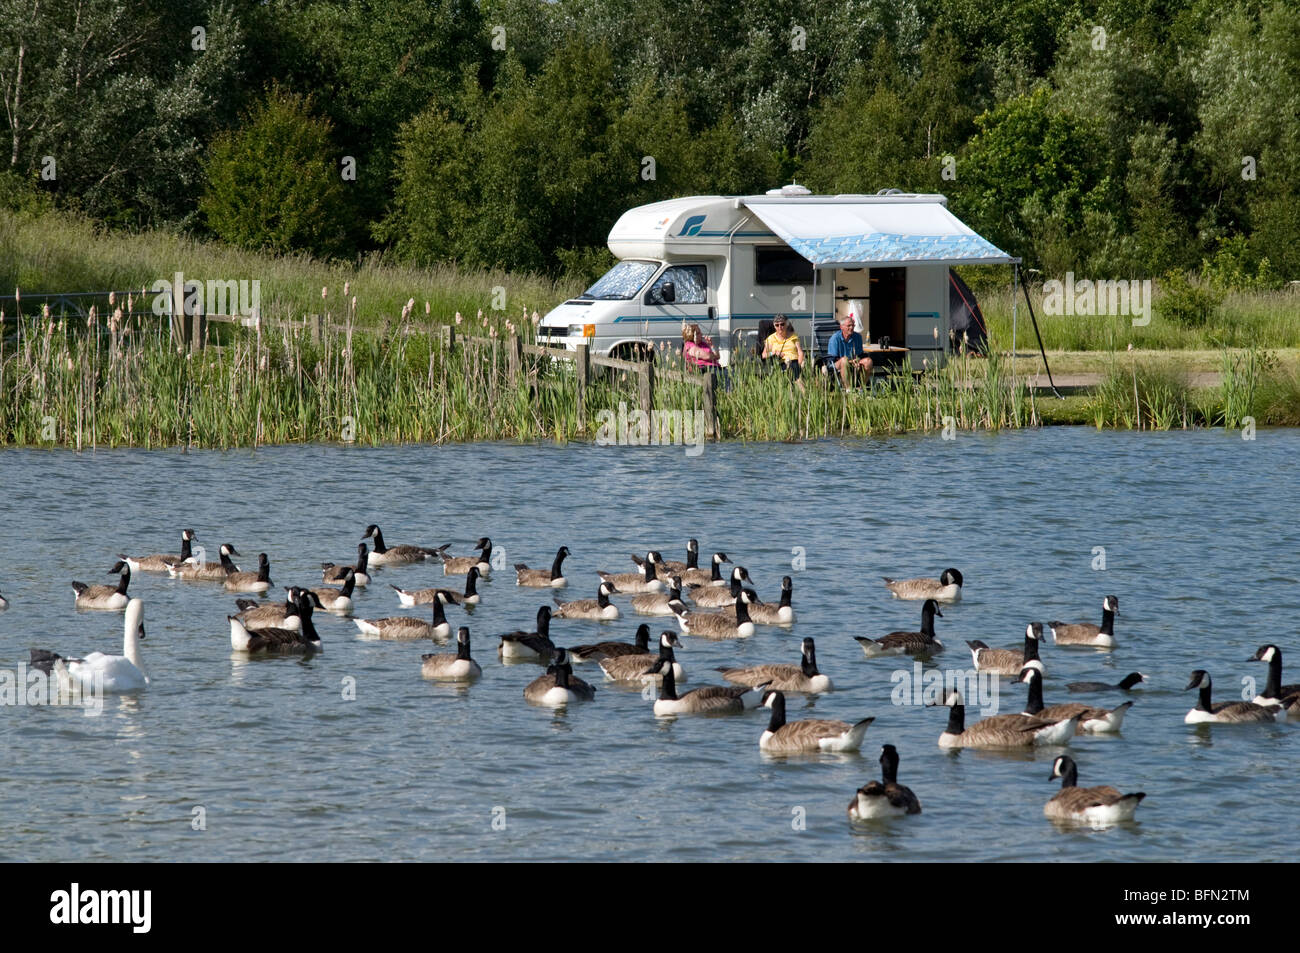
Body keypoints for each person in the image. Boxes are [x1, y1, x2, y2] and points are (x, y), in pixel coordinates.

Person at [827, 314, 873, 389]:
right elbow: (832, 358)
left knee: (868, 361)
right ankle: (848, 389)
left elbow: (860, 355)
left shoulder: (858, 337)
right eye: (849, 326)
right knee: (844, 361)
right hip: (837, 363)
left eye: (853, 325)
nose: (851, 328)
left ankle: (862, 389)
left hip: (853, 361)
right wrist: (850, 361)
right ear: (841, 327)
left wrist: (857, 360)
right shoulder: (834, 338)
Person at [681, 324, 729, 390]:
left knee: (732, 373)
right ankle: (728, 393)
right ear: (692, 335)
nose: (701, 334)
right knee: (727, 375)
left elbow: (718, 356)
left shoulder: (703, 344)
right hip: (705, 369)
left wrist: (711, 345)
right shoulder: (689, 345)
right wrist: (713, 356)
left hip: (715, 368)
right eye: (699, 333)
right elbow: (707, 356)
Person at [762, 314, 805, 390]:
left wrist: (800, 364)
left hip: (795, 362)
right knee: (790, 380)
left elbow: (800, 352)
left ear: (786, 324)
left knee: (799, 381)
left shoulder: (793, 336)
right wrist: (774, 352)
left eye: (782, 324)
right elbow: (764, 355)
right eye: (777, 325)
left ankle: (804, 399)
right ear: (774, 326)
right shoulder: (771, 338)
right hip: (781, 363)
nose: (780, 327)